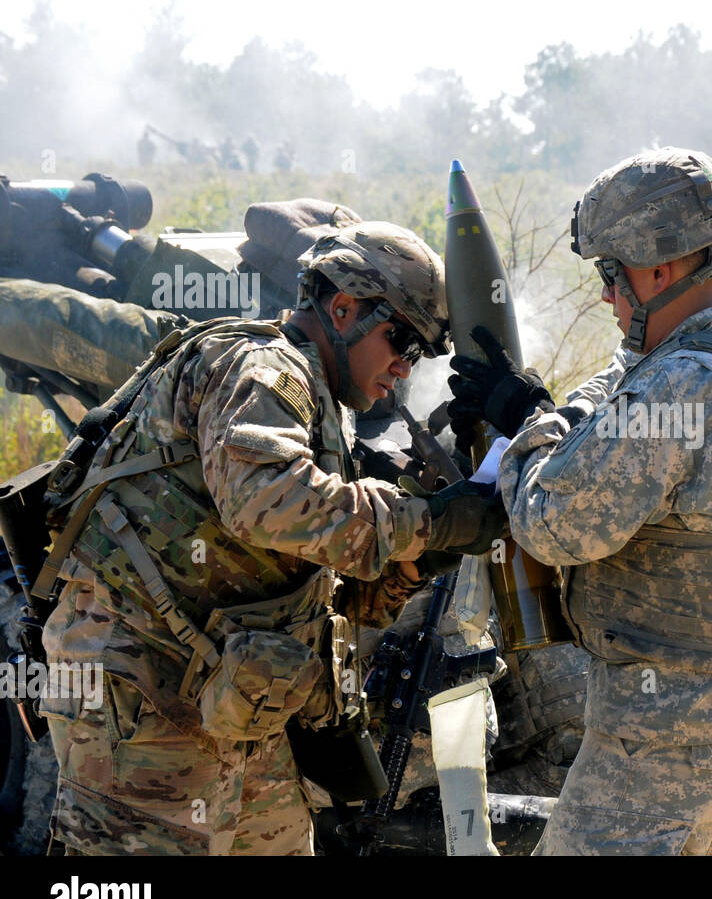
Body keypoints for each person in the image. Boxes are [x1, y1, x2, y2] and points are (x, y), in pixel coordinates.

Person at [37, 221, 507, 855]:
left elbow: (315, 593)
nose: (403, 367)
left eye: (419, 352)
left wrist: (421, 560)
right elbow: (264, 502)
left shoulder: (323, 409)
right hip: (144, 704)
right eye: (400, 338)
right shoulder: (263, 368)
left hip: (231, 703)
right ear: (341, 308)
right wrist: (426, 522)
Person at [449, 147, 712, 855]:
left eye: (612, 274)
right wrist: (548, 406)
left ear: (659, 267)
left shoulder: (683, 386)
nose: (607, 295)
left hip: (655, 760)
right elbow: (626, 390)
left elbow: (551, 521)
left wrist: (529, 426)